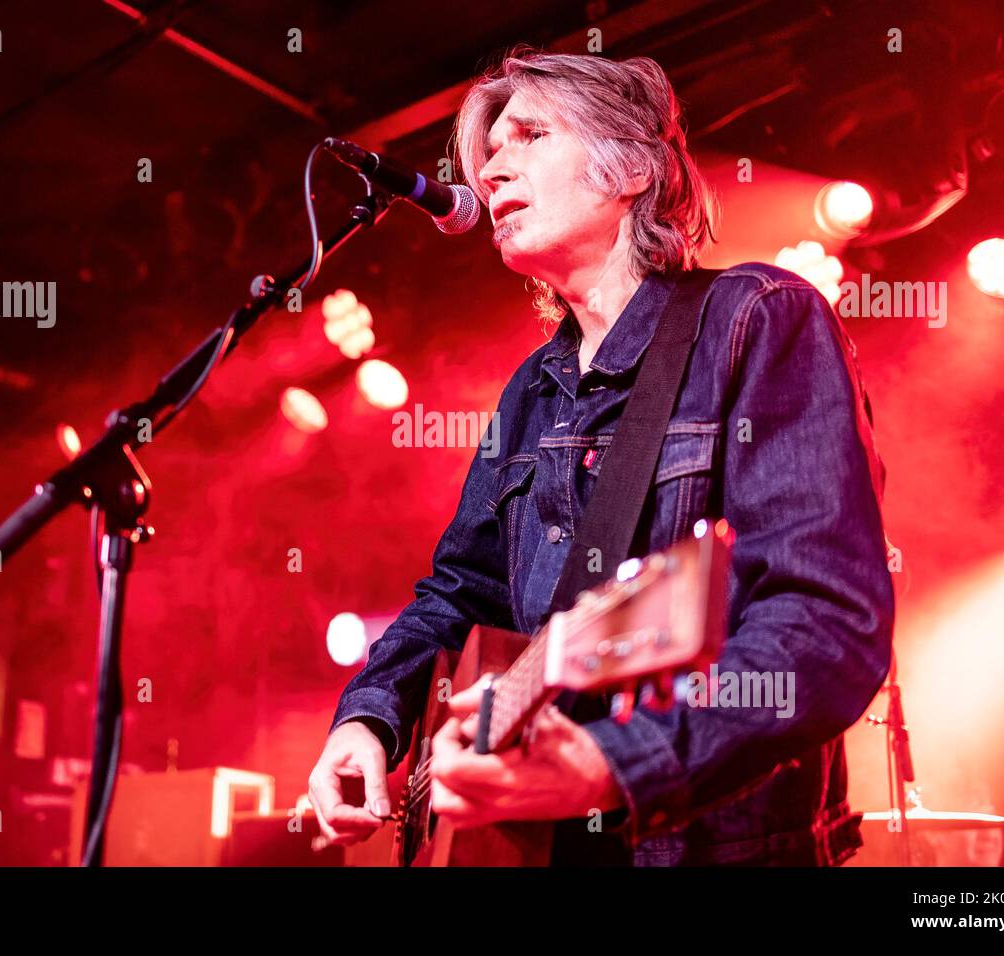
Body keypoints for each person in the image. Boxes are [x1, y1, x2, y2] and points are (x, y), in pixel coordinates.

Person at [308, 48, 894, 866]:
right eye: (487, 154)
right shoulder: (532, 391)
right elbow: (458, 593)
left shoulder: (757, 320)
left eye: (530, 136)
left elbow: (829, 624)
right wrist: (369, 717)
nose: (489, 172)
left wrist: (612, 763)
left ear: (629, 168)